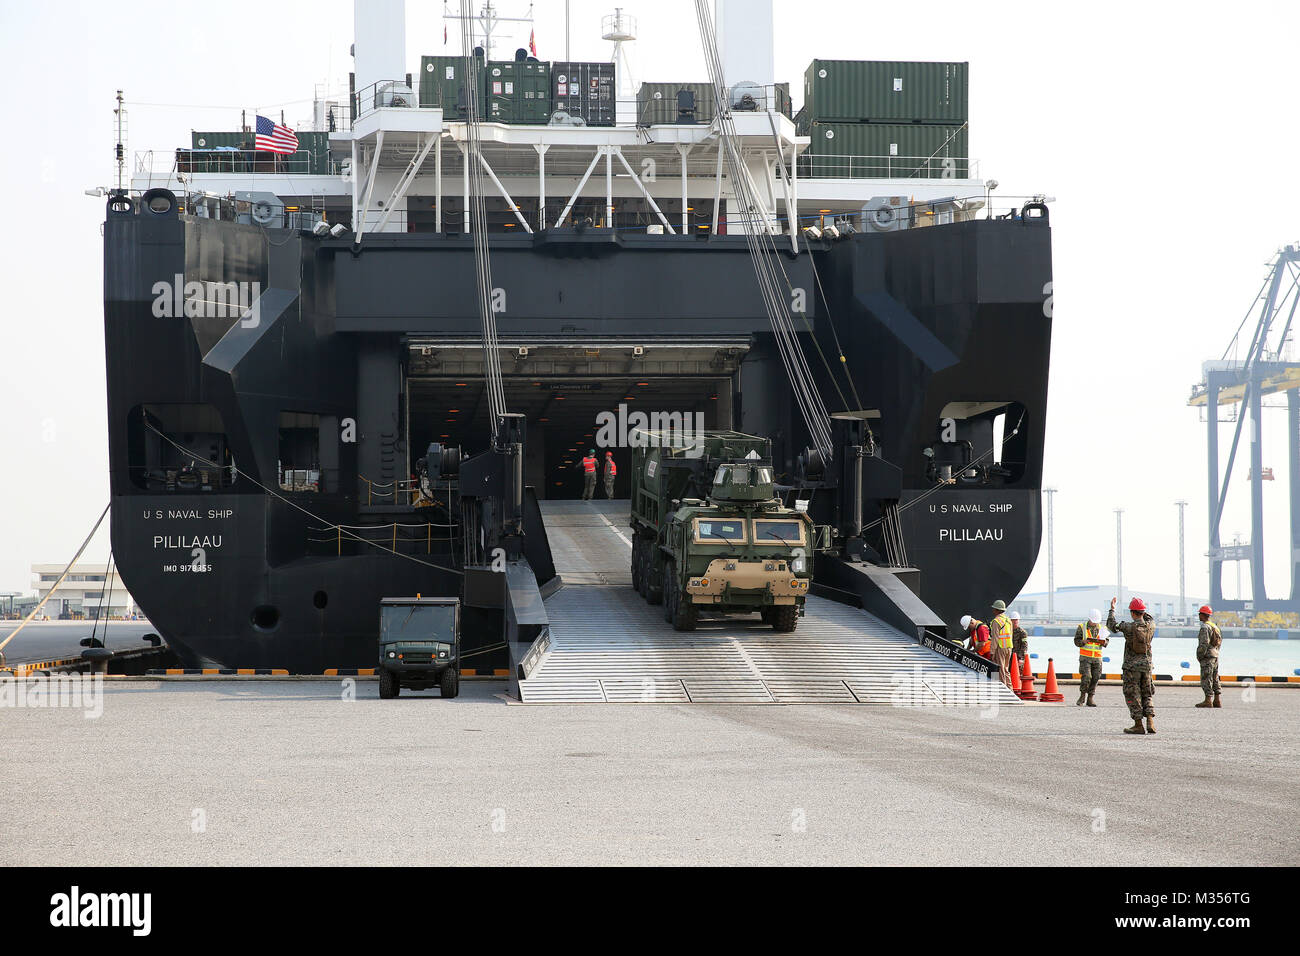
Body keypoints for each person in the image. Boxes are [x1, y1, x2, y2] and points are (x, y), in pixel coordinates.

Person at [1107, 596, 1156, 735]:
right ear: (1143, 612)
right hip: (1147, 666)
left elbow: (1111, 625)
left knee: (1132, 694)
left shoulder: (1128, 627)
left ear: (1132, 613)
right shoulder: (1151, 625)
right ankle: (1150, 721)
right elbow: (1149, 617)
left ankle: (1138, 724)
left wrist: (1112, 609)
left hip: (1131, 667)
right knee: (1147, 693)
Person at [1073, 608, 1108, 707]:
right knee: (1087, 677)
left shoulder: (1102, 628)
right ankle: (1082, 696)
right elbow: (1076, 641)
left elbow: (1107, 641)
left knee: (1096, 677)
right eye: (1093, 621)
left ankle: (1090, 698)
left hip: (1097, 659)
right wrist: (1083, 642)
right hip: (1085, 658)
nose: (1095, 623)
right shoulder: (1082, 627)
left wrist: (1104, 642)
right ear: (1089, 619)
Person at [1194, 604, 1222, 709]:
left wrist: (1200, 655)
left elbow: (1203, 643)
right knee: (1215, 677)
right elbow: (1219, 642)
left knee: (1206, 677)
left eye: (1200, 614)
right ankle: (1217, 700)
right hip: (1215, 655)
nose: (1199, 616)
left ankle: (1208, 700)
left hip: (1207, 656)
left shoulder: (1205, 627)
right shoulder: (1215, 626)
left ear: (1203, 615)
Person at [989, 599, 1016, 690]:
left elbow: (995, 638)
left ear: (997, 610)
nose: (993, 610)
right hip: (1009, 647)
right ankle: (1010, 689)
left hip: (1000, 647)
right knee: (1005, 669)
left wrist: (992, 652)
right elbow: (1011, 634)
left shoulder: (996, 621)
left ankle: (1003, 691)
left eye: (994, 609)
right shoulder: (1008, 620)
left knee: (1000, 670)